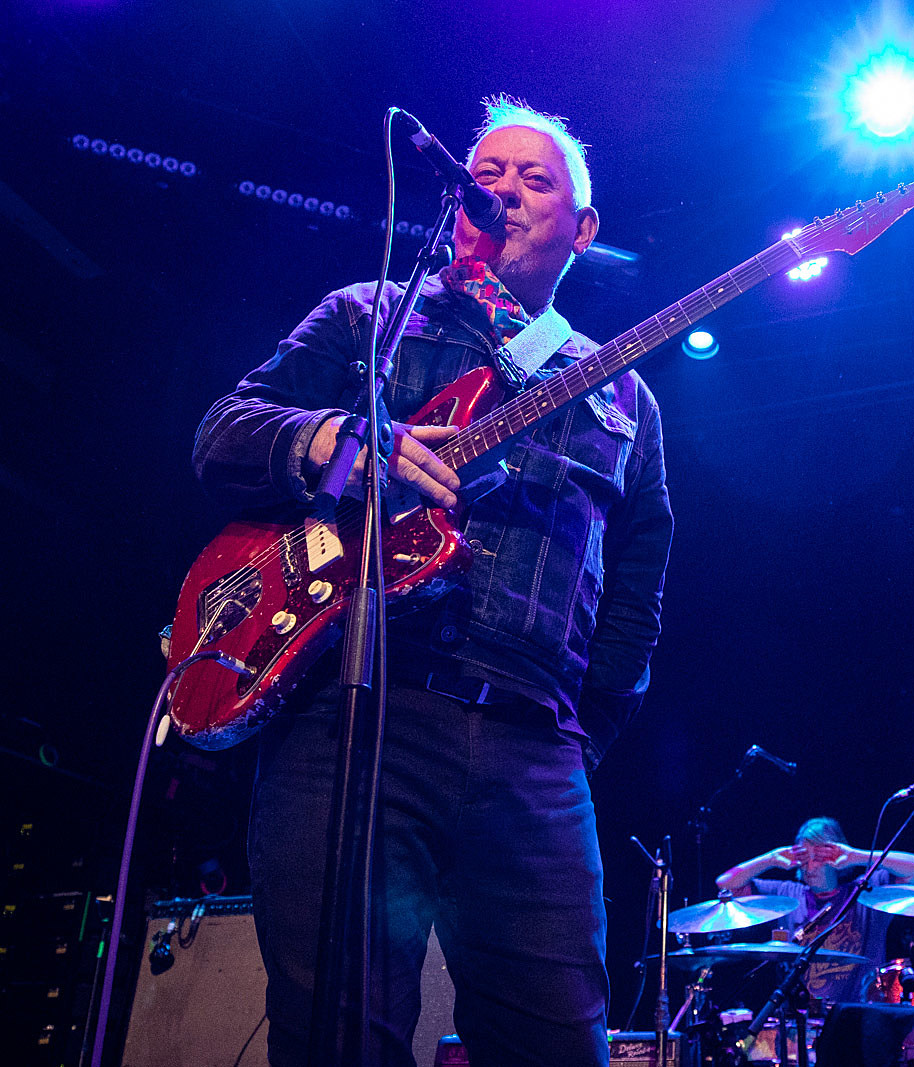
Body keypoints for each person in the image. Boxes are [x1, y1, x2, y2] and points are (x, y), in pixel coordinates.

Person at [192, 96, 672, 1067]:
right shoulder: (369, 315)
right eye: (484, 173)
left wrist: (581, 737)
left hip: (534, 750)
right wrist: (341, 439)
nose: (502, 189)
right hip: (355, 715)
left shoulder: (625, 394)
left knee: (556, 1045)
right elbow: (222, 432)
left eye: (534, 178)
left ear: (583, 228)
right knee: (338, 1035)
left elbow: (638, 588)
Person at [716, 817, 914, 1004]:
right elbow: (726, 884)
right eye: (804, 860)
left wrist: (855, 856)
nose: (809, 868)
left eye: (818, 858)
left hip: (859, 1016)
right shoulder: (786, 894)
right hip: (800, 1020)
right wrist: (771, 859)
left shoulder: (866, 891)